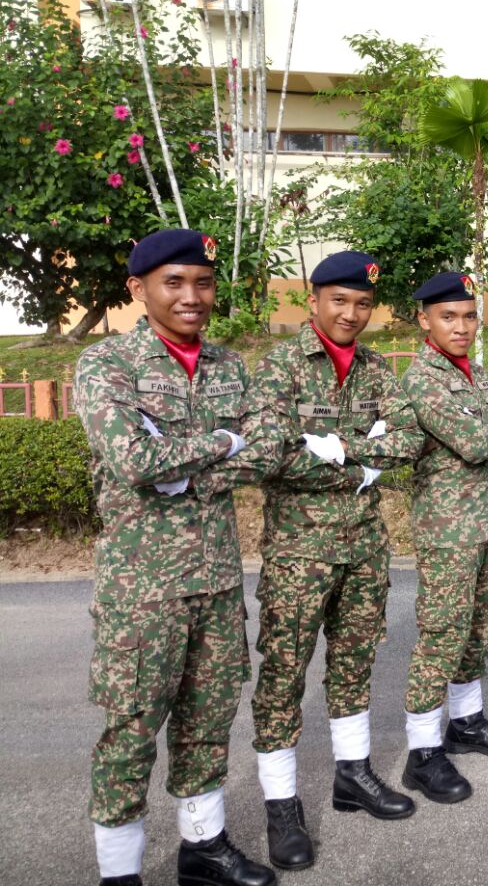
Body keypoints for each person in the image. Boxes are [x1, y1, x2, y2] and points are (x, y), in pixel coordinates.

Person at [73, 229, 274, 886]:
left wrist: (191, 463)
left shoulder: (229, 366)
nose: (193, 296)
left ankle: (203, 847)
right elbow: (131, 458)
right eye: (174, 282)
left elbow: (265, 449)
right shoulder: (109, 367)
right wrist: (222, 440)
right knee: (131, 733)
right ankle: (120, 872)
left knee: (209, 719)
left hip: (216, 580)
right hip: (144, 591)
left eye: (203, 282)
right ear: (138, 289)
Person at [239, 251, 423, 870]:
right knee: (284, 677)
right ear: (313, 300)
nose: (351, 314)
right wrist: (362, 460)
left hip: (365, 549)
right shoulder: (280, 369)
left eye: (363, 304)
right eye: (339, 301)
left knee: (353, 667)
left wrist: (333, 450)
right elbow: (270, 457)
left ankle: (353, 775)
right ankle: (282, 805)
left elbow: (407, 440)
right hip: (299, 553)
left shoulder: (374, 369)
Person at [399, 271, 488, 804]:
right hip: (447, 530)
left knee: (482, 622)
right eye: (449, 316)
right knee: (442, 634)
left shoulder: (476, 374)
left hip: (486, 524)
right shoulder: (424, 379)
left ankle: (466, 722)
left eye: (470, 316)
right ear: (425, 320)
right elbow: (477, 442)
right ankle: (422, 752)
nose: (462, 326)